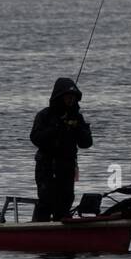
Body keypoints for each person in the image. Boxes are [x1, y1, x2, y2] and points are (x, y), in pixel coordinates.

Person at [30, 77, 93, 221]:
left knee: (65, 203)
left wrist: (77, 128)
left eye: (73, 97)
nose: (70, 100)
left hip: (67, 168)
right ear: (59, 97)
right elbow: (35, 138)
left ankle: (62, 231)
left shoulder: (77, 117)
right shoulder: (45, 116)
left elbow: (87, 143)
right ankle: (38, 231)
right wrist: (56, 127)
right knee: (46, 201)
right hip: (47, 167)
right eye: (67, 97)